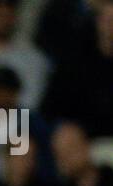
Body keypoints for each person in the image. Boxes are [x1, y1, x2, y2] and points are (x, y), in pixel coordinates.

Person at [42, 0, 113, 138]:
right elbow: (52, 110)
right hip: (84, 143)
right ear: (98, 22)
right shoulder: (74, 63)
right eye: (108, 20)